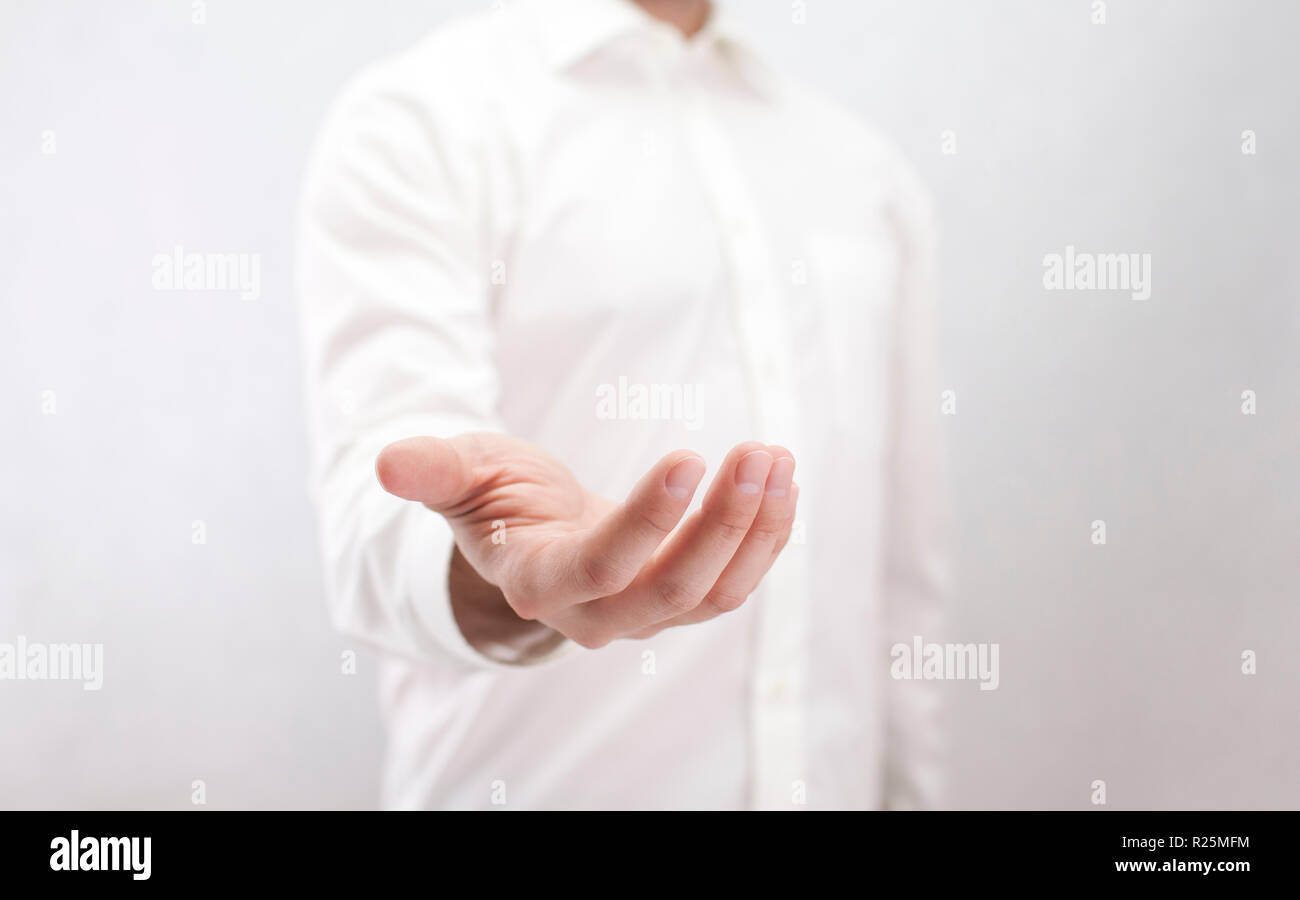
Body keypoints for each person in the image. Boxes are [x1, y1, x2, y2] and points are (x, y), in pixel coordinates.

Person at [297, 0, 948, 809]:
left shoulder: (864, 171)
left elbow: (902, 576)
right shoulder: (424, 121)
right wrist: (509, 562)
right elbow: (379, 526)